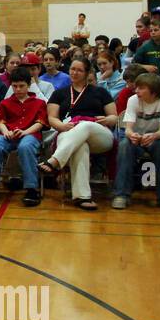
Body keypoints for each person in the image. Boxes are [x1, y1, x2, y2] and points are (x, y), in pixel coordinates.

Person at [40, 57, 118, 210]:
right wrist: (62, 126)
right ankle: (82, 197)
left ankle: (54, 161)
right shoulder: (59, 94)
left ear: (87, 72)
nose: (74, 73)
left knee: (85, 125)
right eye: (72, 69)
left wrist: (107, 119)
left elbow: (114, 117)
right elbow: (52, 119)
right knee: (80, 147)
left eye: (79, 70)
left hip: (98, 133)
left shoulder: (100, 92)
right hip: (67, 131)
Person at [111, 73, 160, 210]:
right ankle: (121, 195)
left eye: (141, 88)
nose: (136, 91)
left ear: (153, 91)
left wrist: (152, 136)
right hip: (136, 139)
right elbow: (128, 129)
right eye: (137, 88)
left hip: (157, 138)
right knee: (124, 145)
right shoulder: (133, 100)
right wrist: (132, 135)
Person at [0, 67, 48, 207]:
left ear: (29, 85)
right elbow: (0, 121)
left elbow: (40, 123)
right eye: (14, 86)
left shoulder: (39, 103)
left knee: (25, 146)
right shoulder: (5, 103)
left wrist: (25, 132)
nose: (18, 89)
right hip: (9, 134)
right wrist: (5, 132)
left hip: (30, 134)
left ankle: (31, 188)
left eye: (21, 86)